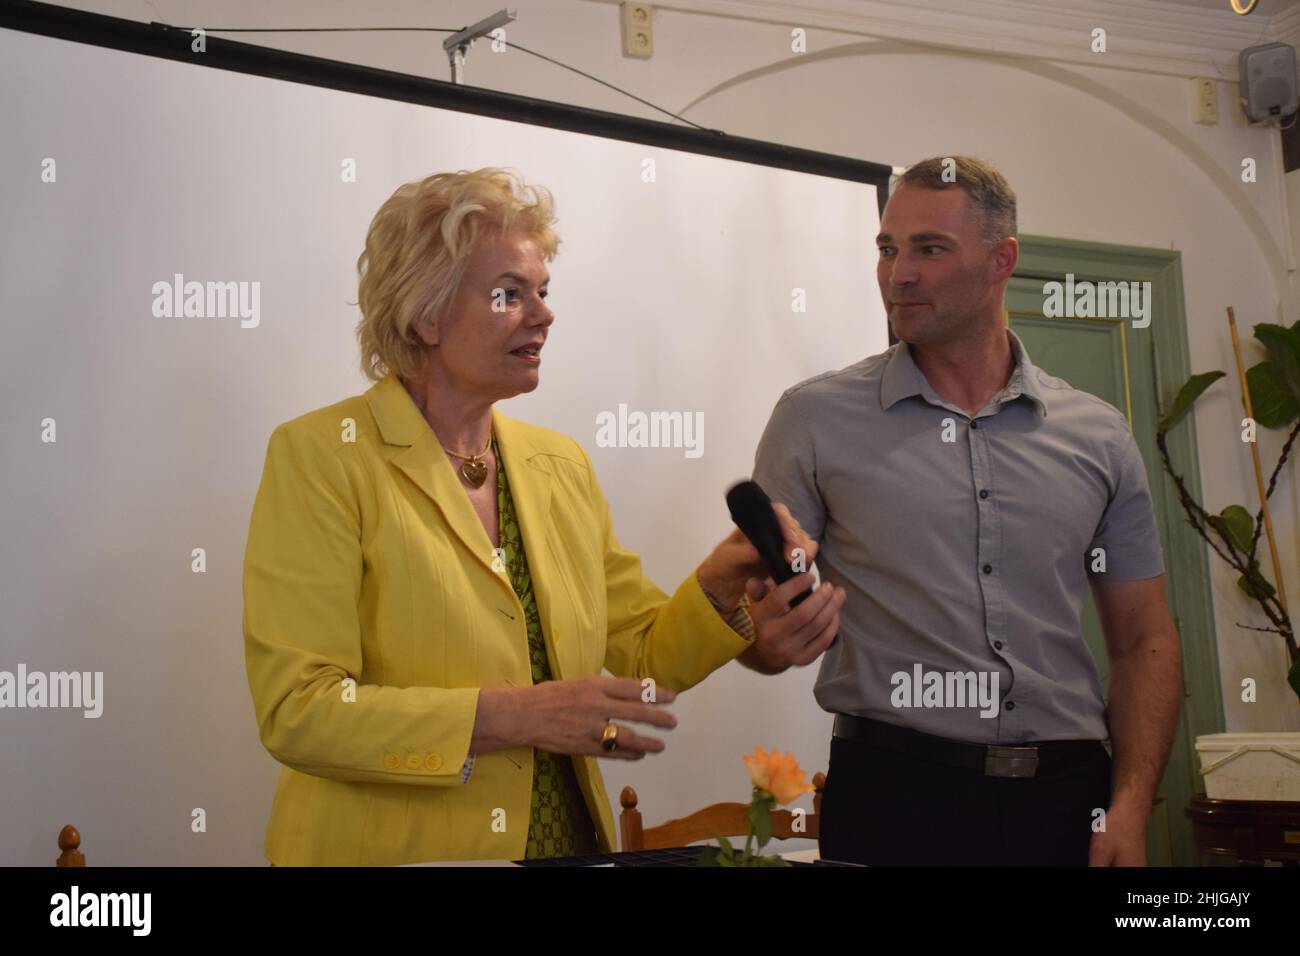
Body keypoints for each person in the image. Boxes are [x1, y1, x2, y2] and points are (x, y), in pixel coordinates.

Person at [241, 167, 843, 866]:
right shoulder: (322, 457)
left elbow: (635, 658)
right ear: (425, 313)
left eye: (543, 292)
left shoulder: (559, 465)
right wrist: (517, 715)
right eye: (509, 294)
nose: (544, 314)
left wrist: (715, 588)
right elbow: (301, 711)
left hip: (566, 847)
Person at [744, 156, 1183, 866]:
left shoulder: (1098, 434)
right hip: (895, 800)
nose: (898, 273)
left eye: (929, 249)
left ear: (1000, 259)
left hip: (1067, 802)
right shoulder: (813, 419)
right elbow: (755, 626)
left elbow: (1144, 642)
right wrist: (762, 638)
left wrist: (1128, 808)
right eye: (887, 249)